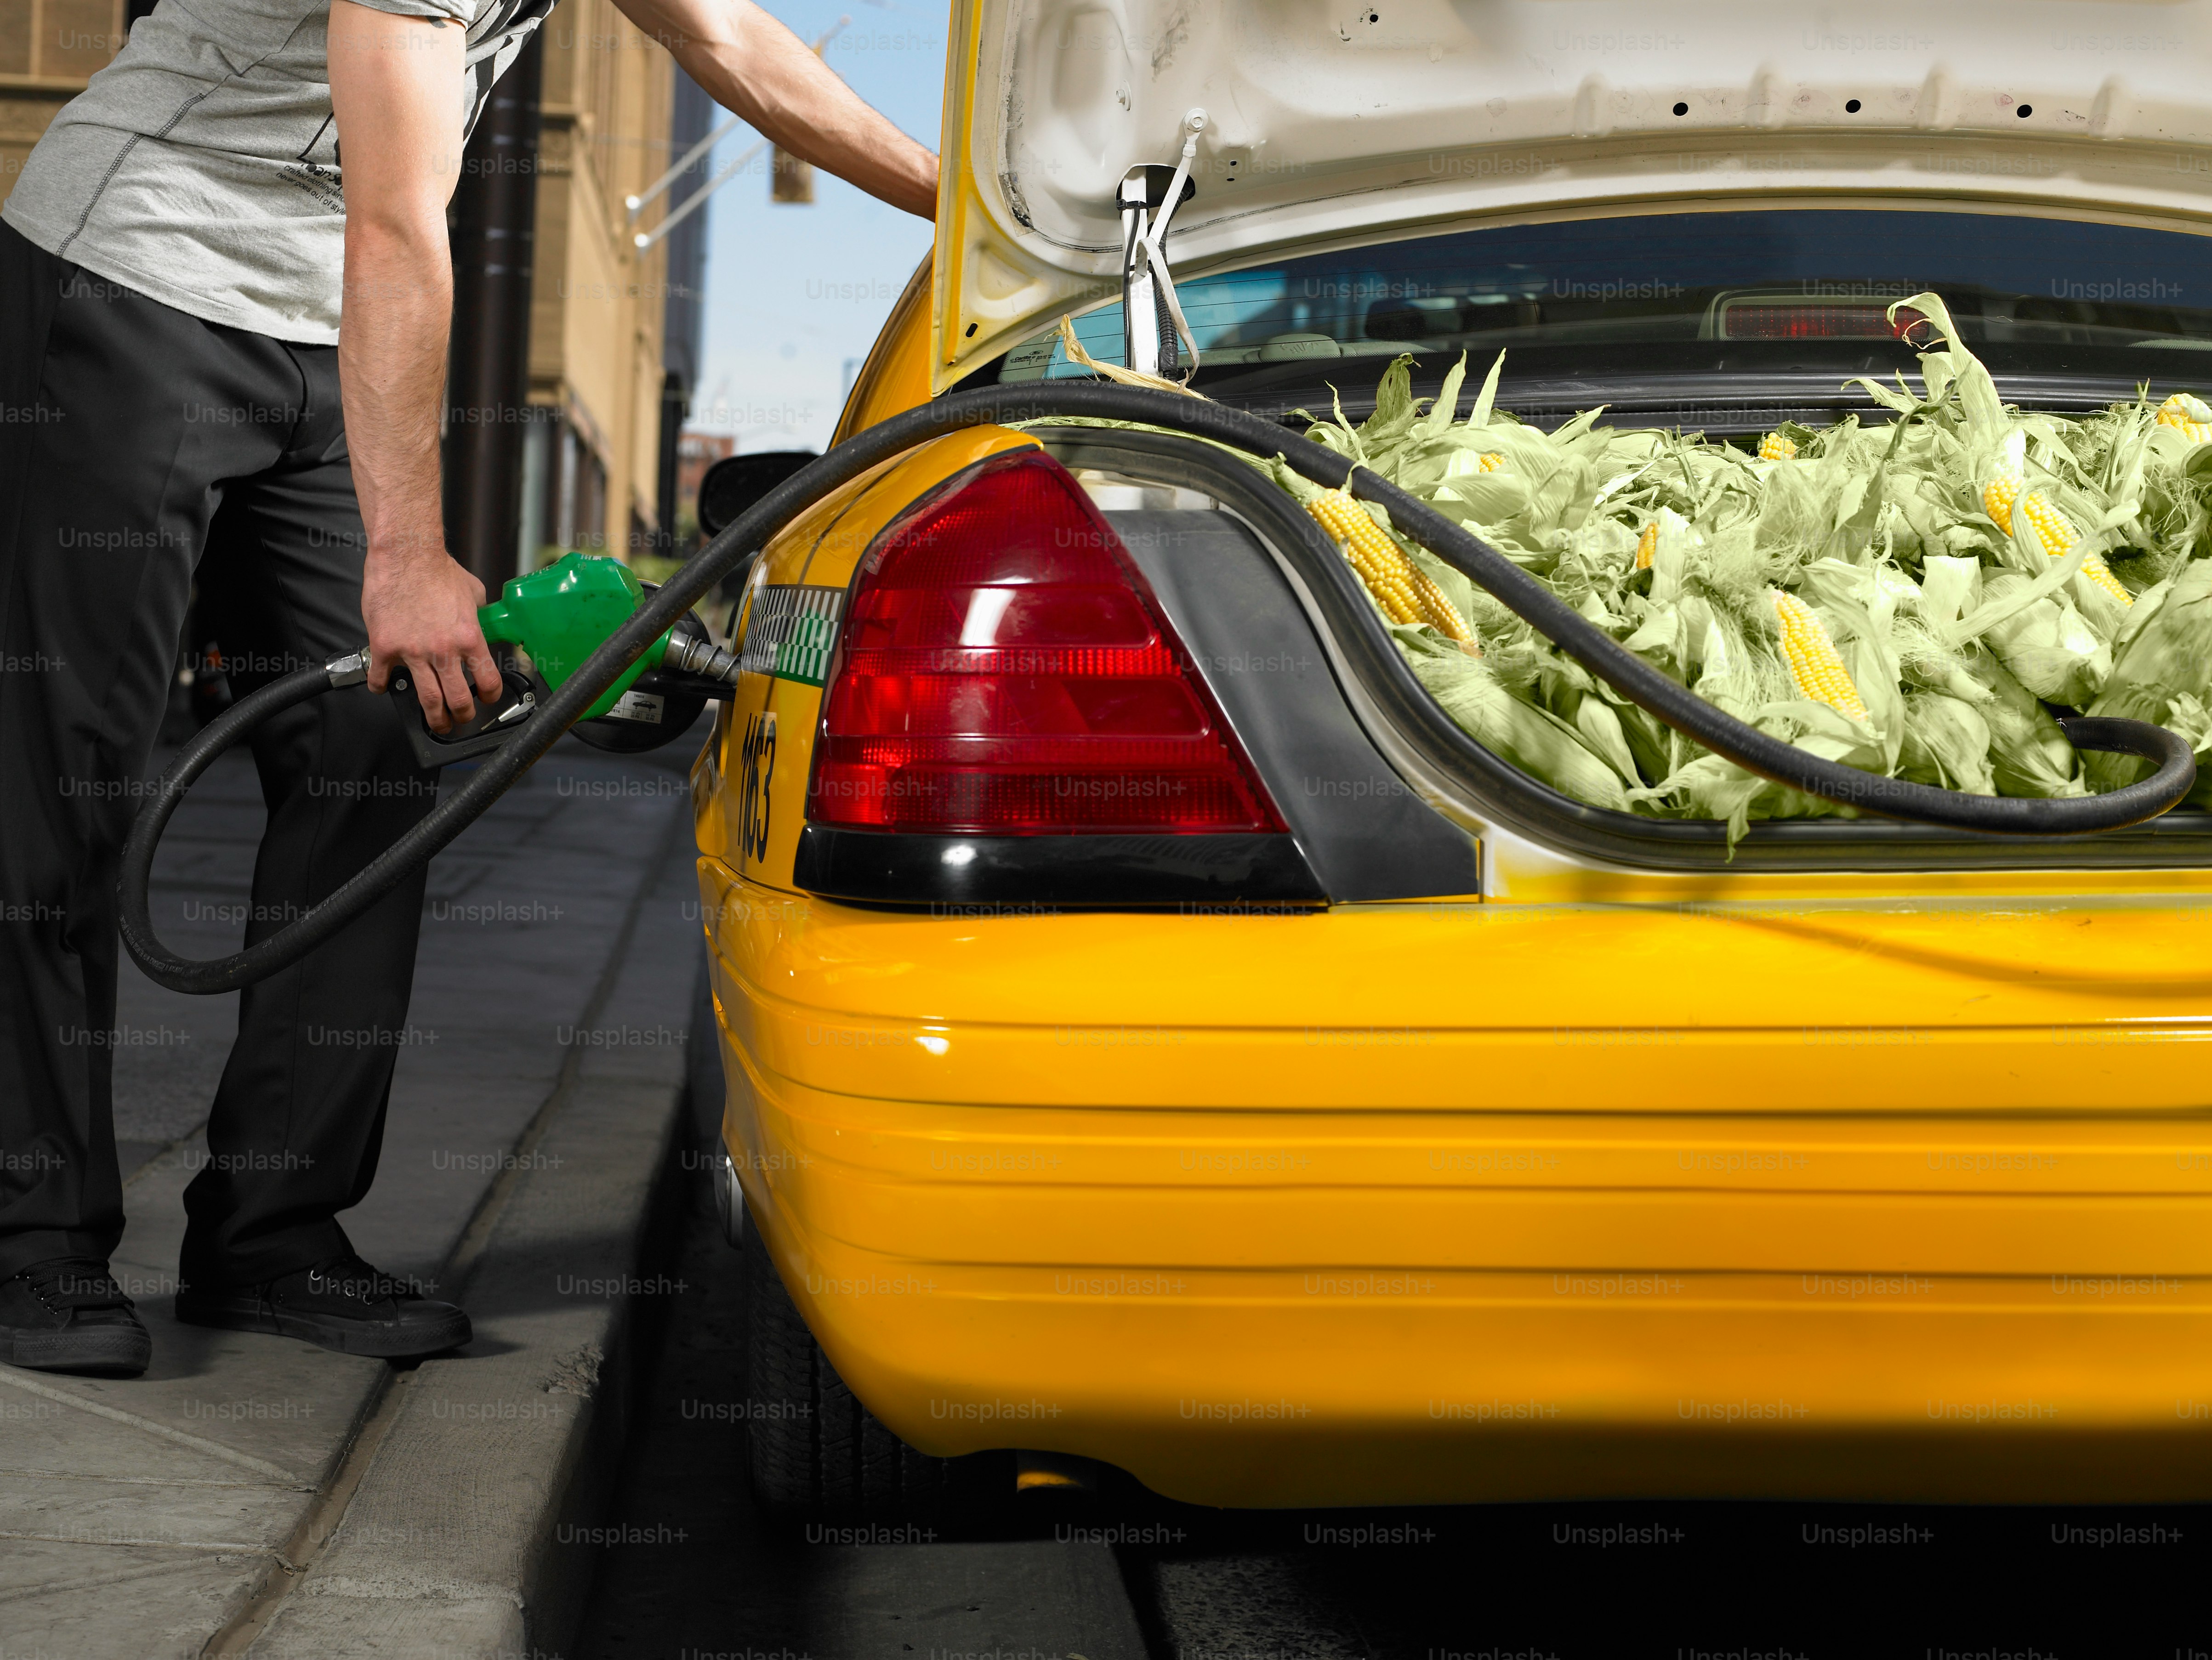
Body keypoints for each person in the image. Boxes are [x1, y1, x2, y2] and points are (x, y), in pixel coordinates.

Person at [0, 0, 935, 1375]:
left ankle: (271, 1231)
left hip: (327, 333)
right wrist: (407, 553)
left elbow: (735, 41)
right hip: (136, 287)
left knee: (372, 758)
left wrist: (968, 214)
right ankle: (32, 1240)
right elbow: (396, 227)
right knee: (62, 777)